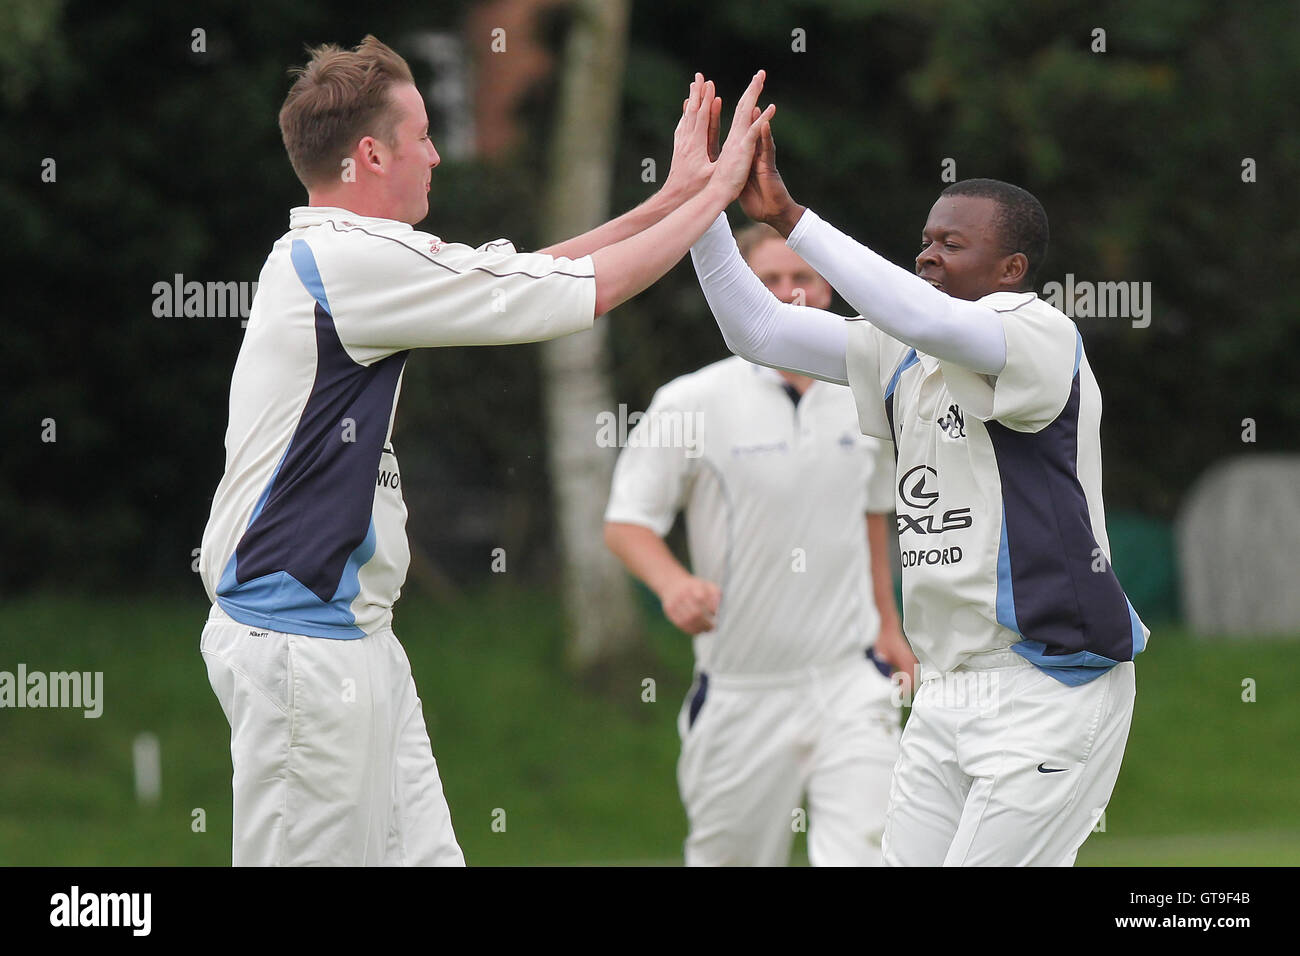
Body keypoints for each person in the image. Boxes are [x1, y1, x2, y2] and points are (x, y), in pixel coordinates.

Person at [196, 36, 772, 865]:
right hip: (302, 649)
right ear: (370, 154)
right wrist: (713, 194)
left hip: (354, 640)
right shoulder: (348, 258)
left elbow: (534, 275)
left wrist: (678, 197)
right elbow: (584, 292)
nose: (435, 154)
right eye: (422, 135)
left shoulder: (344, 256)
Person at [687, 116, 1147, 866]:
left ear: (1011, 269)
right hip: (942, 692)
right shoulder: (903, 347)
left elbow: (922, 315)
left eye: (953, 244)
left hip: (1048, 682)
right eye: (926, 239)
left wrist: (790, 220)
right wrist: (700, 202)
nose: (928, 253)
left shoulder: (1035, 331)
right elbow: (761, 332)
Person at [605, 221, 917, 866]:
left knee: (872, 856)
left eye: (801, 277)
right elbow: (629, 522)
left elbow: (871, 513)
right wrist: (673, 585)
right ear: (739, 288)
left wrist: (891, 628)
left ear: (827, 287)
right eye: (768, 280)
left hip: (849, 678)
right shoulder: (692, 400)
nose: (788, 293)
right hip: (741, 688)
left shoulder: (869, 394)